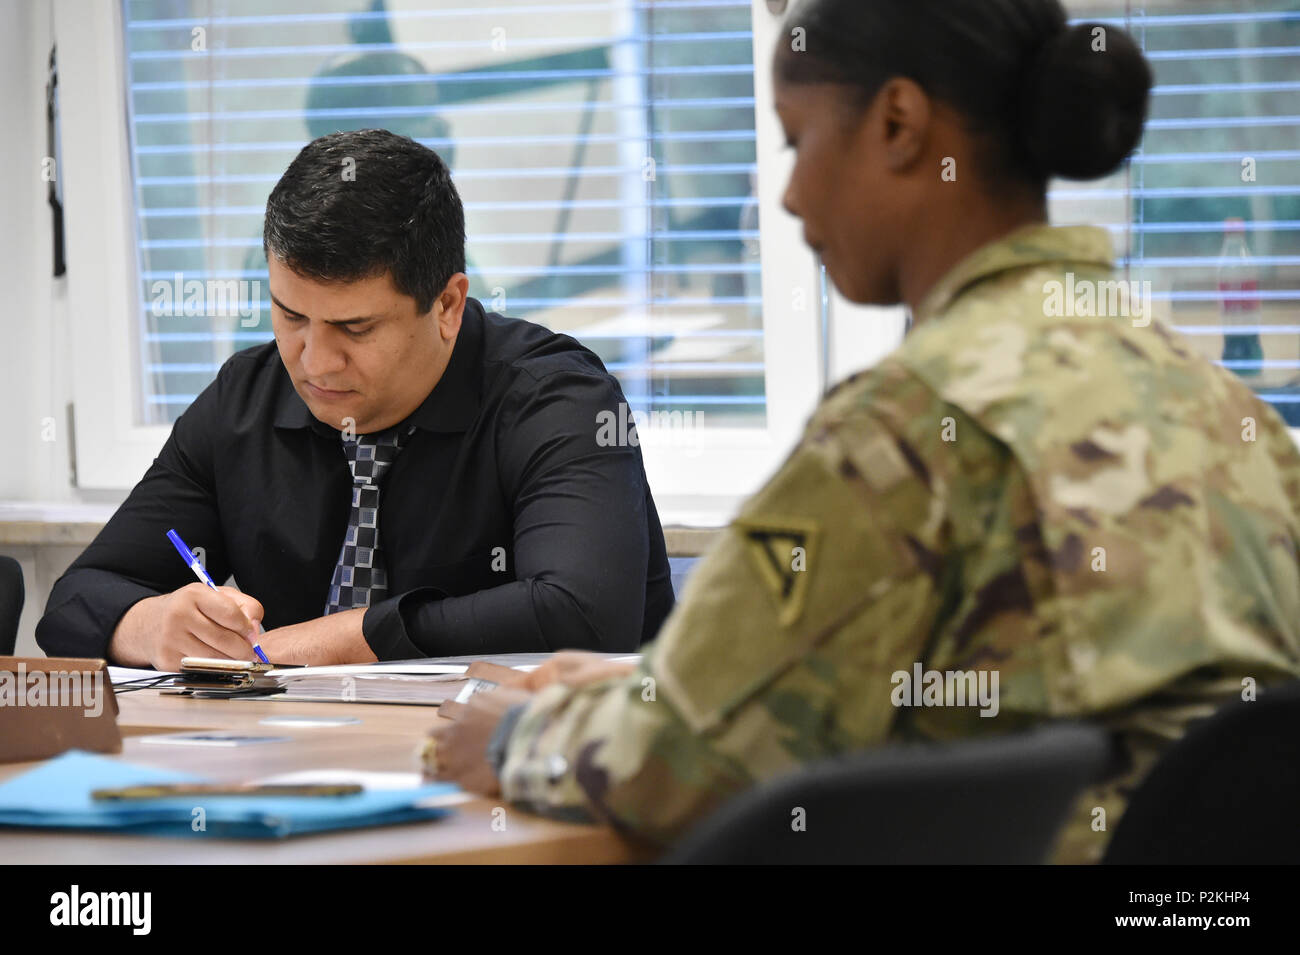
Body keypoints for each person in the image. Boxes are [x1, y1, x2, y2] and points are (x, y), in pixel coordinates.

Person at [425, 0, 1300, 863]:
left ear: (898, 124)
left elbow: (684, 758)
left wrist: (515, 738)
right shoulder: (1220, 401)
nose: (793, 193)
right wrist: (636, 684)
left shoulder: (911, 424)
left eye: (799, 140)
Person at [37, 129, 674, 671]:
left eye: (355, 328)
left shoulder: (556, 398)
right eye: (290, 316)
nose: (314, 361)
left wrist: (340, 638)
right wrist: (148, 625)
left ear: (447, 305)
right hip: (301, 768)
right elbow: (75, 600)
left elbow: (584, 618)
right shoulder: (246, 400)